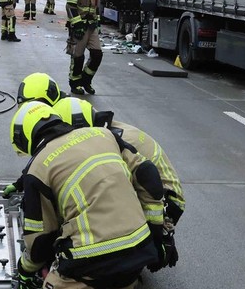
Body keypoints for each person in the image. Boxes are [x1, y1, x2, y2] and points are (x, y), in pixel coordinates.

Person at [9, 102, 183, 289]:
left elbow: (39, 241)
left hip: (90, 261)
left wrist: (25, 271)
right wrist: (154, 235)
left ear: (27, 137)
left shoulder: (38, 168)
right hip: (135, 259)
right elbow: (148, 175)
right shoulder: (103, 135)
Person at [53, 97, 185, 237]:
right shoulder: (104, 130)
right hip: (152, 189)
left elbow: (139, 181)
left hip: (167, 199)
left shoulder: (116, 141)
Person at [66, 0, 102, 95]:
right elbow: (70, 7)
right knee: (78, 56)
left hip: (91, 26)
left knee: (97, 54)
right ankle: (75, 83)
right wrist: (77, 24)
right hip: (79, 26)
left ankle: (86, 80)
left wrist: (97, 22)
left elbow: (96, 7)